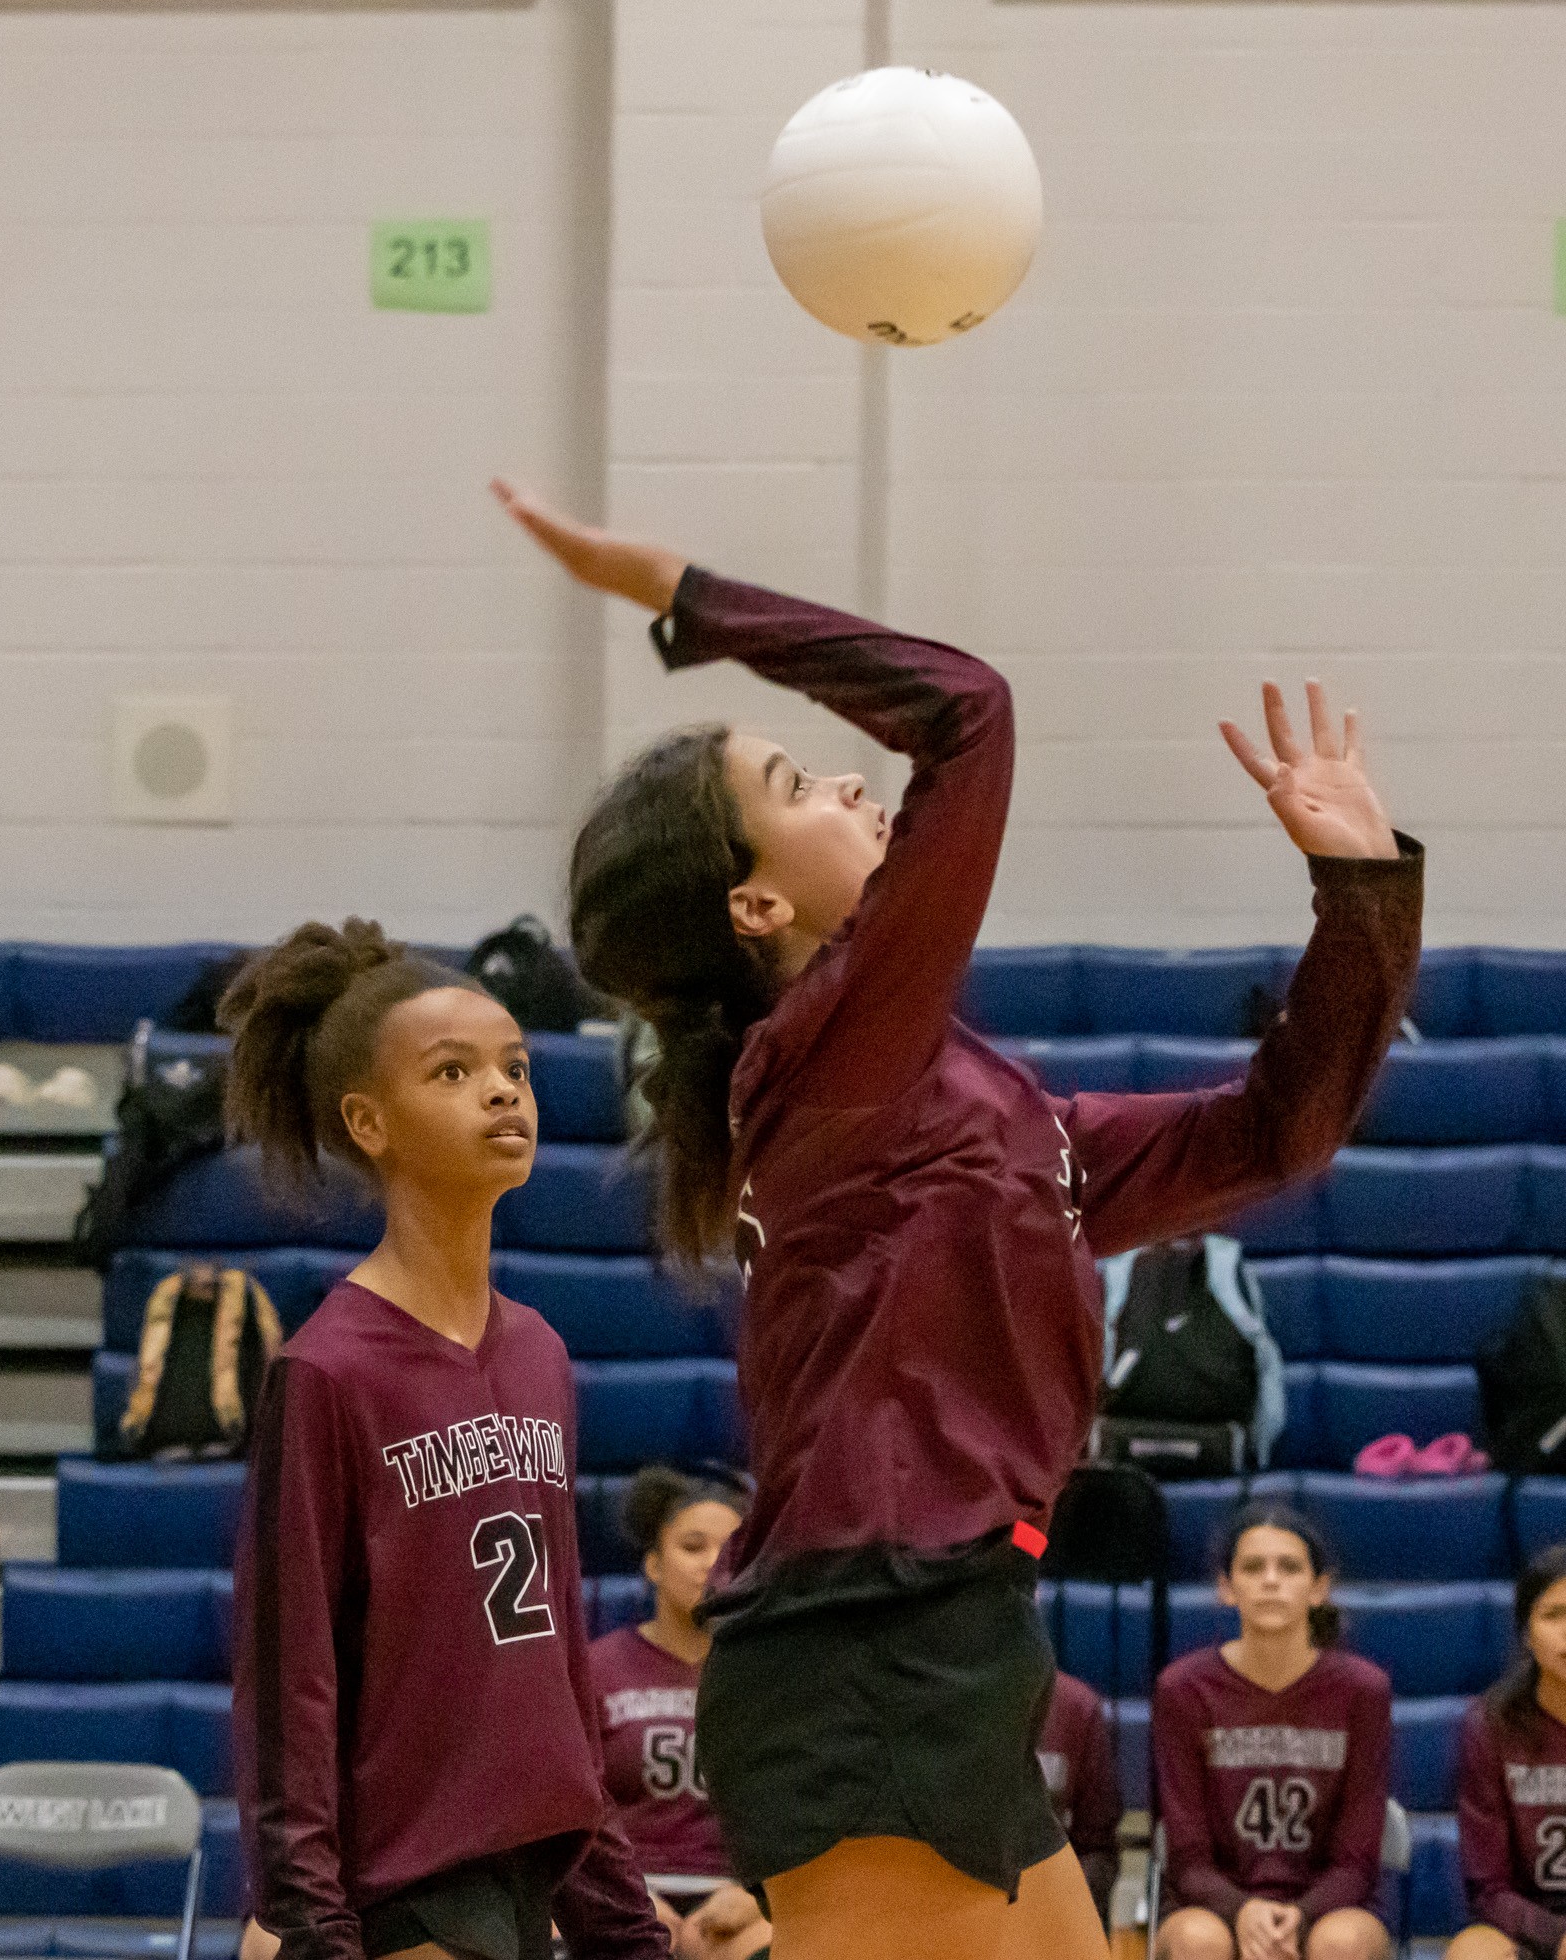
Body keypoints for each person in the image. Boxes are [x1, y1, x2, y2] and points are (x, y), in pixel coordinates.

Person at [492, 480, 1422, 1960]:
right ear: (752, 909)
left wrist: (1360, 891)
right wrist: (688, 594)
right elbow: (966, 712)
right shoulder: (823, 1065)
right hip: (866, 1642)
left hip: (942, 1630)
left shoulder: (973, 1109)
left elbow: (1273, 1131)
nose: (849, 785)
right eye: (798, 784)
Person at [222, 919, 667, 1960]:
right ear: (368, 1121)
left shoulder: (541, 1352)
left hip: (534, 1872)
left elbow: (555, 1662)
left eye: (515, 1067)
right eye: (454, 1072)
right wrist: (311, 1925)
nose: (503, 1092)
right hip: (405, 1888)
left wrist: (619, 1919)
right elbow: (289, 1683)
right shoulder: (328, 1370)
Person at [1152, 1506, 1392, 1960]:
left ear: (1319, 1588)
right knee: (1197, 1941)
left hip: (1329, 1907)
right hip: (1212, 1905)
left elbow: (1356, 1860)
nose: (1270, 1580)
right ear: (1226, 1588)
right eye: (1252, 1567)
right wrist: (1242, 1910)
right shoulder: (1183, 1688)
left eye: (1289, 1567)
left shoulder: (1363, 1690)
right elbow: (1187, 1856)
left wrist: (1301, 1914)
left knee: (1342, 1943)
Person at [591, 1467, 769, 1960]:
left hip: (738, 1894)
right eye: (693, 1547)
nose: (712, 1564)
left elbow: (802, 1801)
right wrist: (624, 1899)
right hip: (627, 1890)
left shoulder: (770, 1673)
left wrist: (758, 1895)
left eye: (728, 1551)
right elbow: (568, 1808)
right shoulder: (596, 1669)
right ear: (653, 1564)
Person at [1448, 1544, 1566, 1960]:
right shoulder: (1491, 1725)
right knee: (1471, 1952)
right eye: (1554, 1615)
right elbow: (1488, 1888)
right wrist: (1557, 1937)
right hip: (1527, 1928)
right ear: (1526, 1633)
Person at [1036, 1669, 1122, 1926]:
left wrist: (1061, 1904)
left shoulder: (1075, 1704)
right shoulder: (942, 1702)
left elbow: (1097, 1848)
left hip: (1052, 1902)